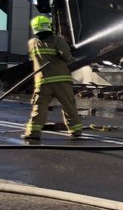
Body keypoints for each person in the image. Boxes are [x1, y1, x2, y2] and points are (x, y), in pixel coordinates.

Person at [22, 15, 83, 143]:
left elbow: (32, 59)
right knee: (68, 106)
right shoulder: (57, 40)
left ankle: (33, 133)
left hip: (43, 81)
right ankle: (75, 131)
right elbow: (66, 56)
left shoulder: (32, 43)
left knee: (39, 107)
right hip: (61, 80)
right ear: (49, 26)